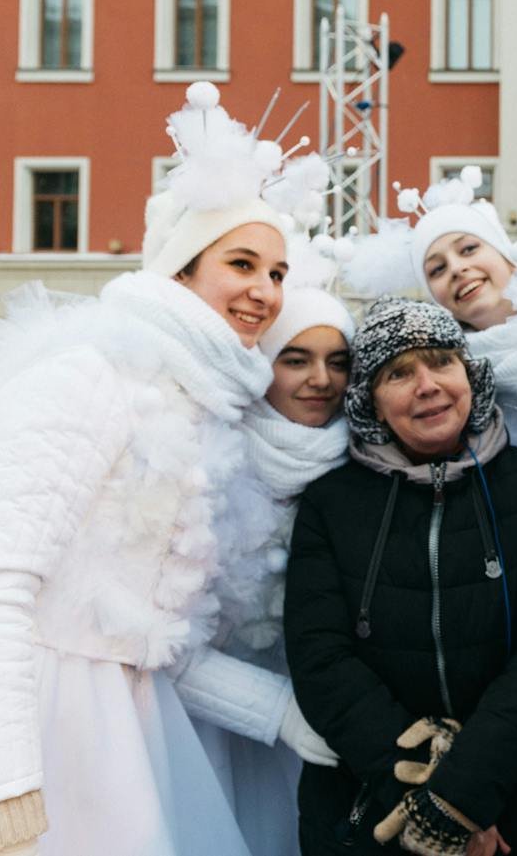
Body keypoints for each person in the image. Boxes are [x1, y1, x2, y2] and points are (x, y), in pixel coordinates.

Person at [0, 83, 338, 856]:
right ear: (179, 271)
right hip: (20, 729)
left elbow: (139, 636)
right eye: (242, 262)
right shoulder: (91, 372)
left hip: (120, 735)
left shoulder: (201, 401)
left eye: (277, 272)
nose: (265, 291)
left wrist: (278, 710)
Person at [285, 296, 517, 855]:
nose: (427, 385)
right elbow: (319, 656)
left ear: (469, 376)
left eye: (442, 362)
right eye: (398, 373)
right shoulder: (332, 503)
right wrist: (423, 793)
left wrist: (463, 796)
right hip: (372, 807)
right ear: (371, 404)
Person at [190, 265, 357, 856]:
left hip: (325, 735)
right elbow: (151, 640)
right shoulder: (205, 460)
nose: (321, 380)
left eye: (338, 362)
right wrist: (272, 710)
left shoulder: (363, 463)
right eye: (295, 359)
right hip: (205, 734)